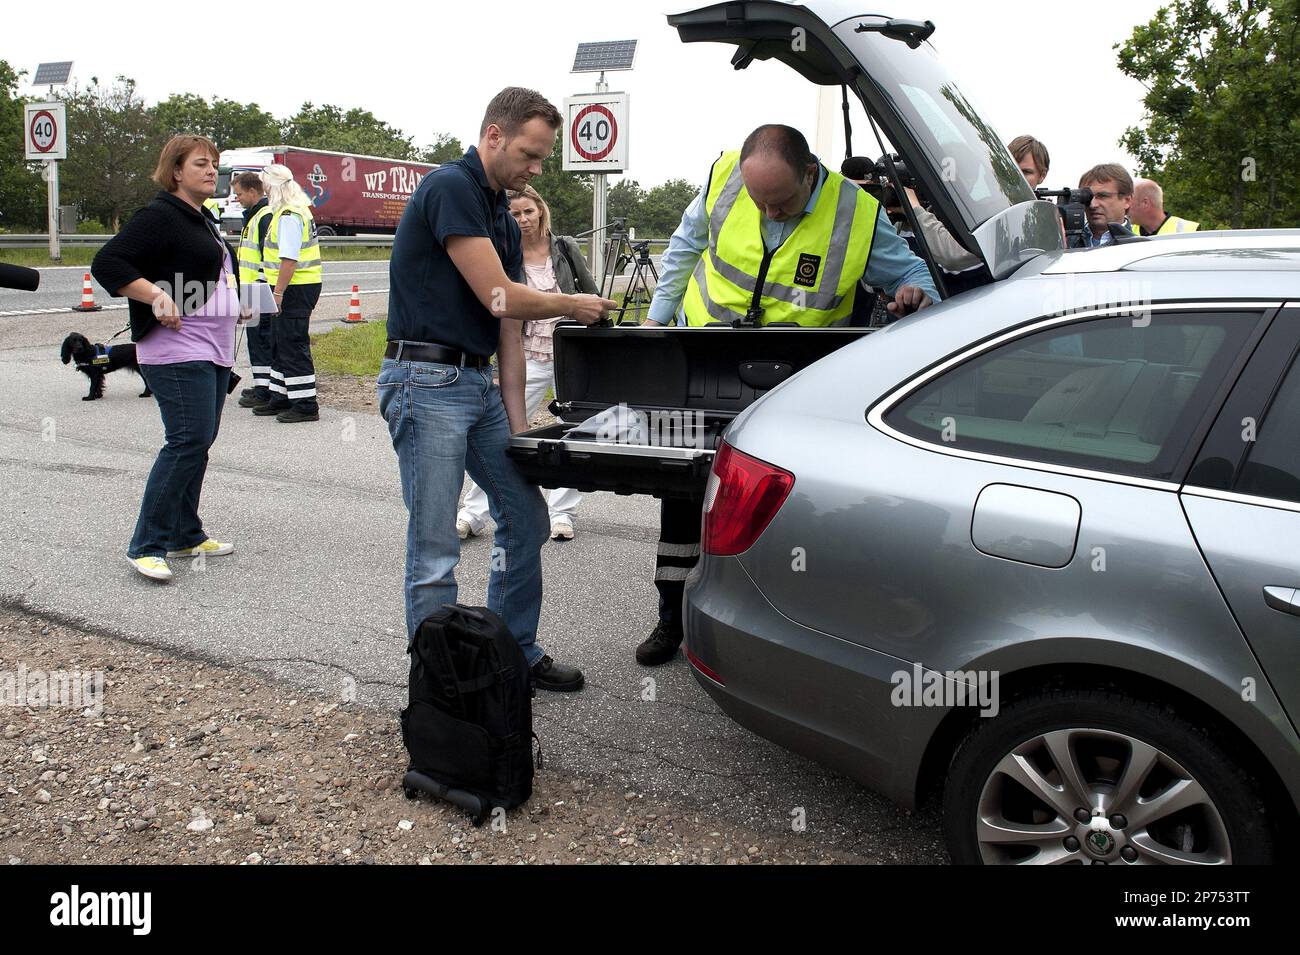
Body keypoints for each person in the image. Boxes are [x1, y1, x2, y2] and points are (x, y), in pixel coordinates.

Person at [636, 124, 939, 666]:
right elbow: (683, 250)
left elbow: (912, 274)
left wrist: (917, 294)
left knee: (775, 507)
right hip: (705, 368)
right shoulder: (725, 178)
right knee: (681, 498)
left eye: (782, 202)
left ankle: (766, 632)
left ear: (809, 173)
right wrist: (655, 331)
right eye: (760, 202)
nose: (770, 213)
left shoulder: (856, 213)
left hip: (790, 387)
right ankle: (669, 618)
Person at [381, 87, 616, 692]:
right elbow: (499, 295)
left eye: (542, 159)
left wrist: (515, 431)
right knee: (435, 545)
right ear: (493, 135)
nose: (536, 169)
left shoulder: (500, 214)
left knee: (525, 516)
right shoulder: (450, 188)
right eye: (530, 154)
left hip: (476, 381)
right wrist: (572, 303)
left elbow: (508, 328)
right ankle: (441, 687)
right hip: (424, 379)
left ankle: (513, 652)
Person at [91, 134, 243, 583]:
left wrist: (242, 301)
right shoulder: (160, 215)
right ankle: (146, 544)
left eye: (215, 164)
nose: (212, 171)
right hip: (176, 349)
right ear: (175, 171)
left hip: (213, 349)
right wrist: (155, 295)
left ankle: (184, 534)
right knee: (186, 440)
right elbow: (109, 262)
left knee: (199, 442)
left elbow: (206, 276)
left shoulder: (203, 219)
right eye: (201, 163)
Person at [456, 183, 597, 543]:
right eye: (514, 214)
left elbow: (589, 294)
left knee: (574, 431)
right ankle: (473, 513)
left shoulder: (564, 248)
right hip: (527, 354)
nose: (522, 220)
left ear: (541, 211)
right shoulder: (506, 253)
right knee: (502, 433)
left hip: (571, 355)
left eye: (528, 212)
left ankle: (562, 512)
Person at [250, 164, 322, 423]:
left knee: (292, 344)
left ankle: (305, 404)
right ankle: (281, 396)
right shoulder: (290, 211)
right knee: (280, 343)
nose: (264, 190)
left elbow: (289, 260)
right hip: (293, 286)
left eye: (266, 185)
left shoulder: (290, 215)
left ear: (274, 187)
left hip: (295, 288)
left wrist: (278, 293)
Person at [232, 171, 276, 408]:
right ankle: (262, 385)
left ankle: (266, 390)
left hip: (259, 289)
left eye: (239, 193)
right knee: (255, 341)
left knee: (262, 340)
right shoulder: (255, 216)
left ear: (252, 191)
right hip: (252, 289)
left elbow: (269, 258)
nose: (236, 198)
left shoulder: (264, 216)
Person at [1079, 163, 1138, 248]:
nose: (1092, 205)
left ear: (1127, 200)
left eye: (1103, 196)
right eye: (1087, 197)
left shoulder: (1140, 248)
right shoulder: (1065, 243)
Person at [1131, 178, 1200, 236]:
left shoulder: (1189, 230)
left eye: (1129, 201)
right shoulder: (1127, 231)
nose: (1126, 206)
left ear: (1145, 203)